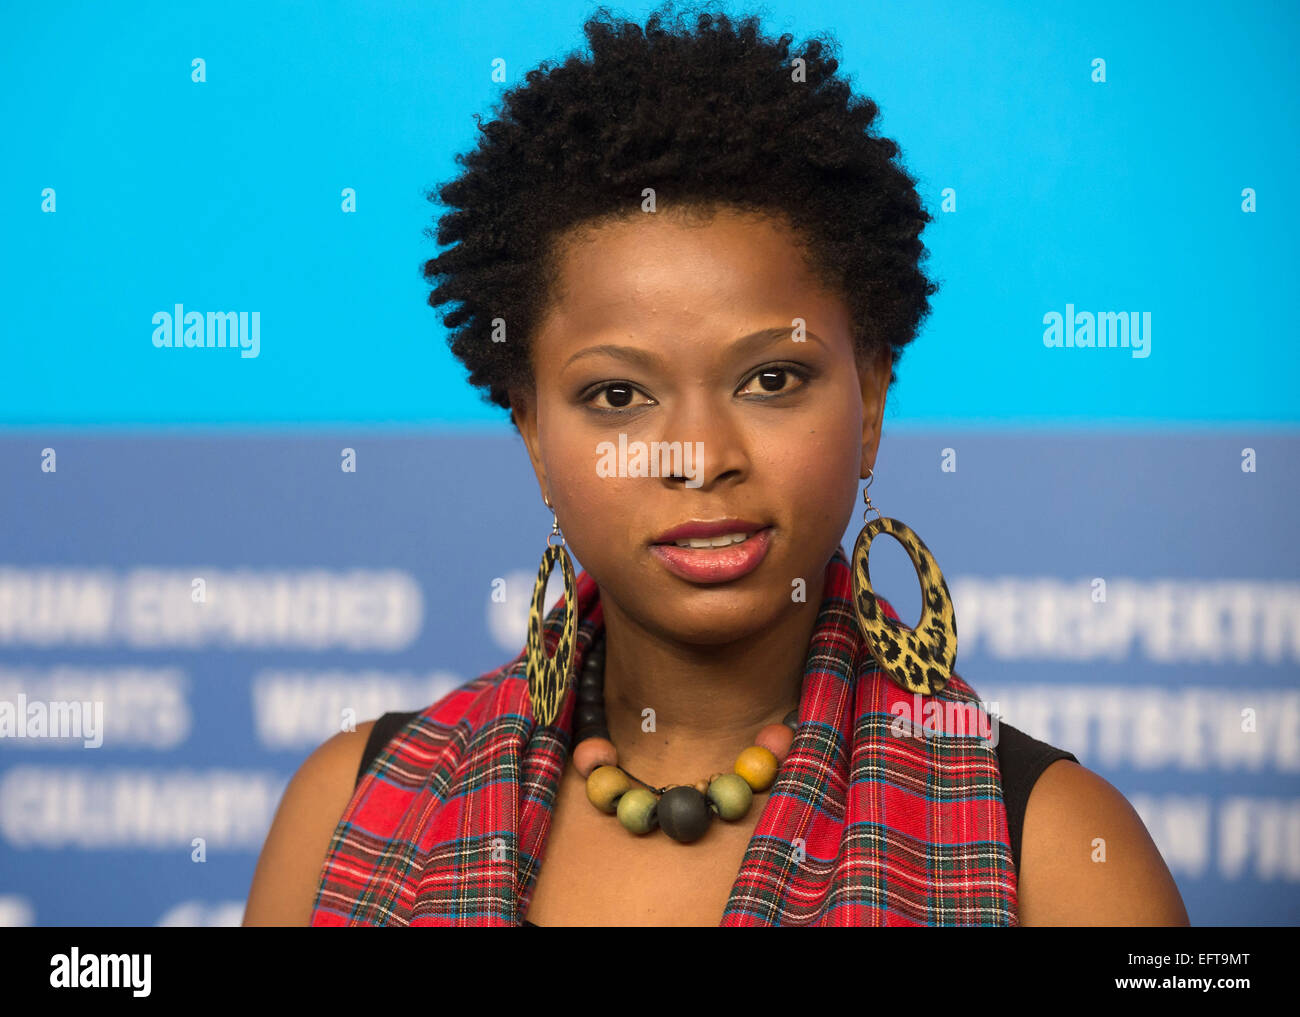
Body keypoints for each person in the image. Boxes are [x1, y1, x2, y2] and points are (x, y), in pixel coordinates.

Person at [243, 2, 1188, 927]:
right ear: (532, 430)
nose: (701, 458)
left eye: (771, 378)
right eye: (617, 396)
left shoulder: (1055, 852)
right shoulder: (350, 807)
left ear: (871, 403)